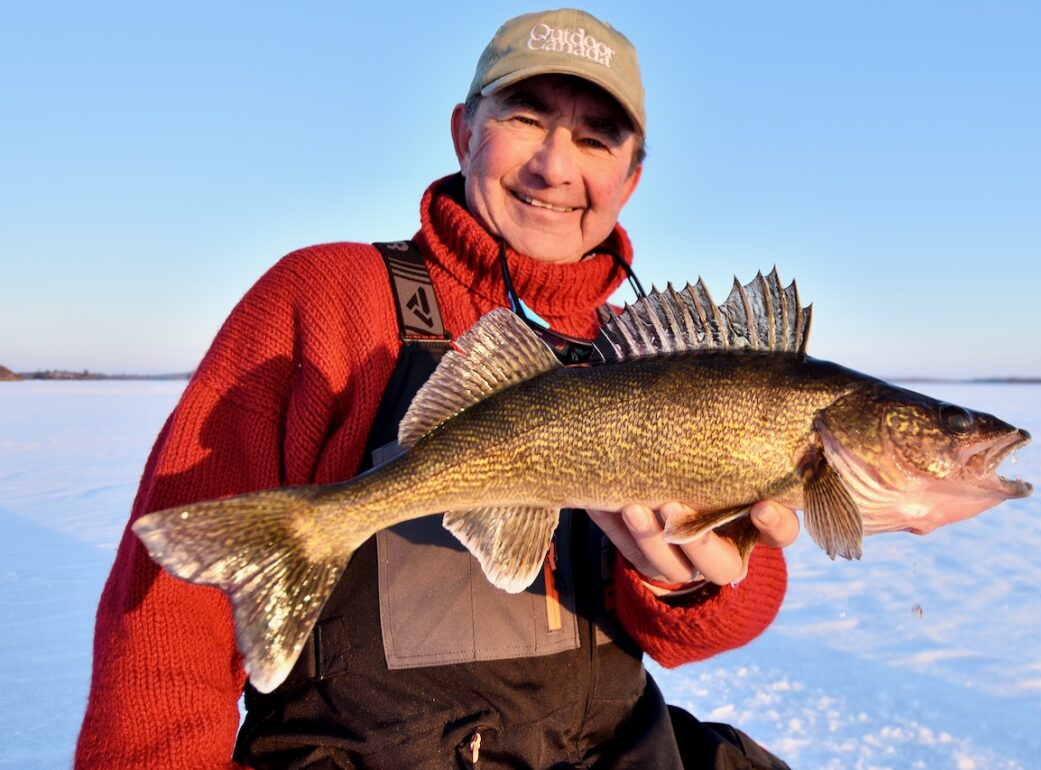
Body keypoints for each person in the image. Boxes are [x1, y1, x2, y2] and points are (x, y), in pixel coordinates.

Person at [75, 9, 800, 769]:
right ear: (463, 131)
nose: (555, 166)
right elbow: (166, 614)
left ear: (631, 176)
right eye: (525, 118)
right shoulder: (330, 296)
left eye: (595, 138)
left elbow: (713, 621)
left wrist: (684, 587)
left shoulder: (648, 358)